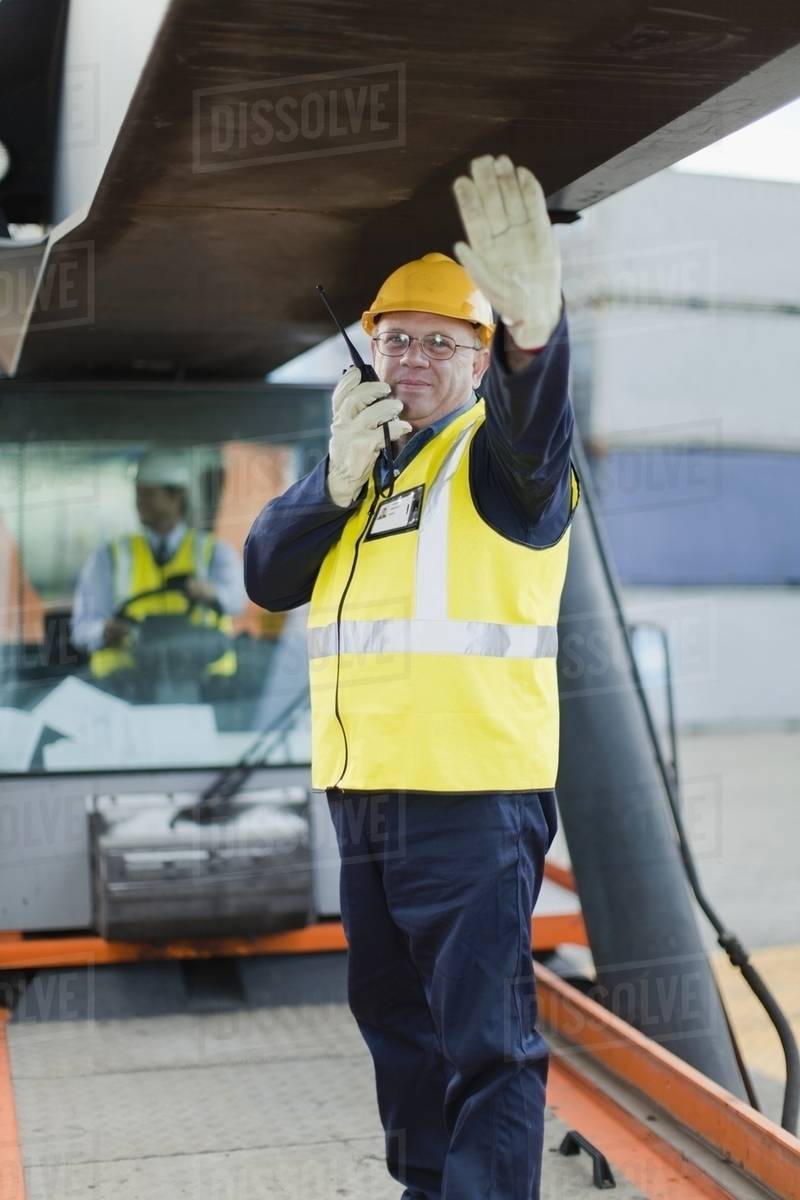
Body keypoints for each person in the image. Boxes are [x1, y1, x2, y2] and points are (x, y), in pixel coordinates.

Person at [244, 154, 579, 1200]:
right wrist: (329, 484)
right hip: (369, 799)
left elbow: (538, 427)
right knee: (396, 1028)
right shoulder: (360, 464)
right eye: (396, 339)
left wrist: (535, 335)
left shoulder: (496, 464)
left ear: (478, 362)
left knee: (485, 1042)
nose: (415, 358)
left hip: (471, 800)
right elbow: (266, 574)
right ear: (369, 351)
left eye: (443, 342)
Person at [71, 449, 246, 683]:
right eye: (138, 493)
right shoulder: (108, 558)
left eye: (149, 494)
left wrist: (209, 593)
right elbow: (81, 629)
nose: (139, 502)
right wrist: (105, 631)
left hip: (206, 687)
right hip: (123, 686)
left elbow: (237, 600)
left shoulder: (215, 553)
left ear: (177, 496)